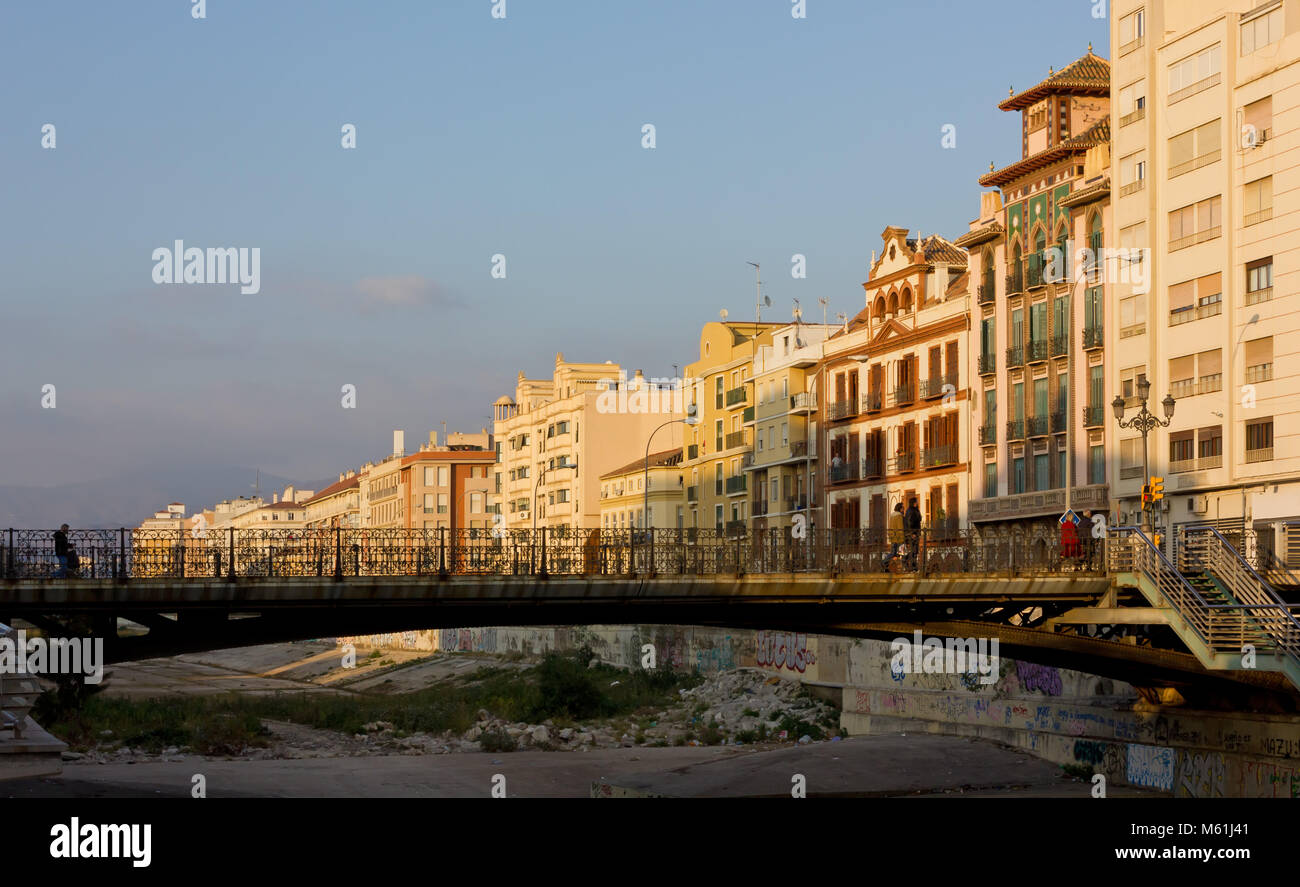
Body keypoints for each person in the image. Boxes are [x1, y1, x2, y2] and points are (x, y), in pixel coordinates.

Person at [883, 503, 905, 570]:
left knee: (893, 553)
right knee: (902, 553)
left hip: (893, 537)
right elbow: (900, 527)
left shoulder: (892, 515)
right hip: (899, 538)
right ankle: (884, 563)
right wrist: (902, 538)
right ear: (900, 509)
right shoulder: (899, 516)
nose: (904, 510)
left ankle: (887, 565)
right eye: (903, 508)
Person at [904, 498, 922, 570]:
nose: (917, 503)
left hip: (916, 533)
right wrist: (912, 533)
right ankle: (908, 563)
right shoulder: (910, 511)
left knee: (915, 550)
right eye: (916, 502)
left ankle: (914, 566)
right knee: (913, 550)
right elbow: (909, 523)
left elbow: (919, 519)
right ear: (914, 503)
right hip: (913, 533)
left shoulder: (915, 510)